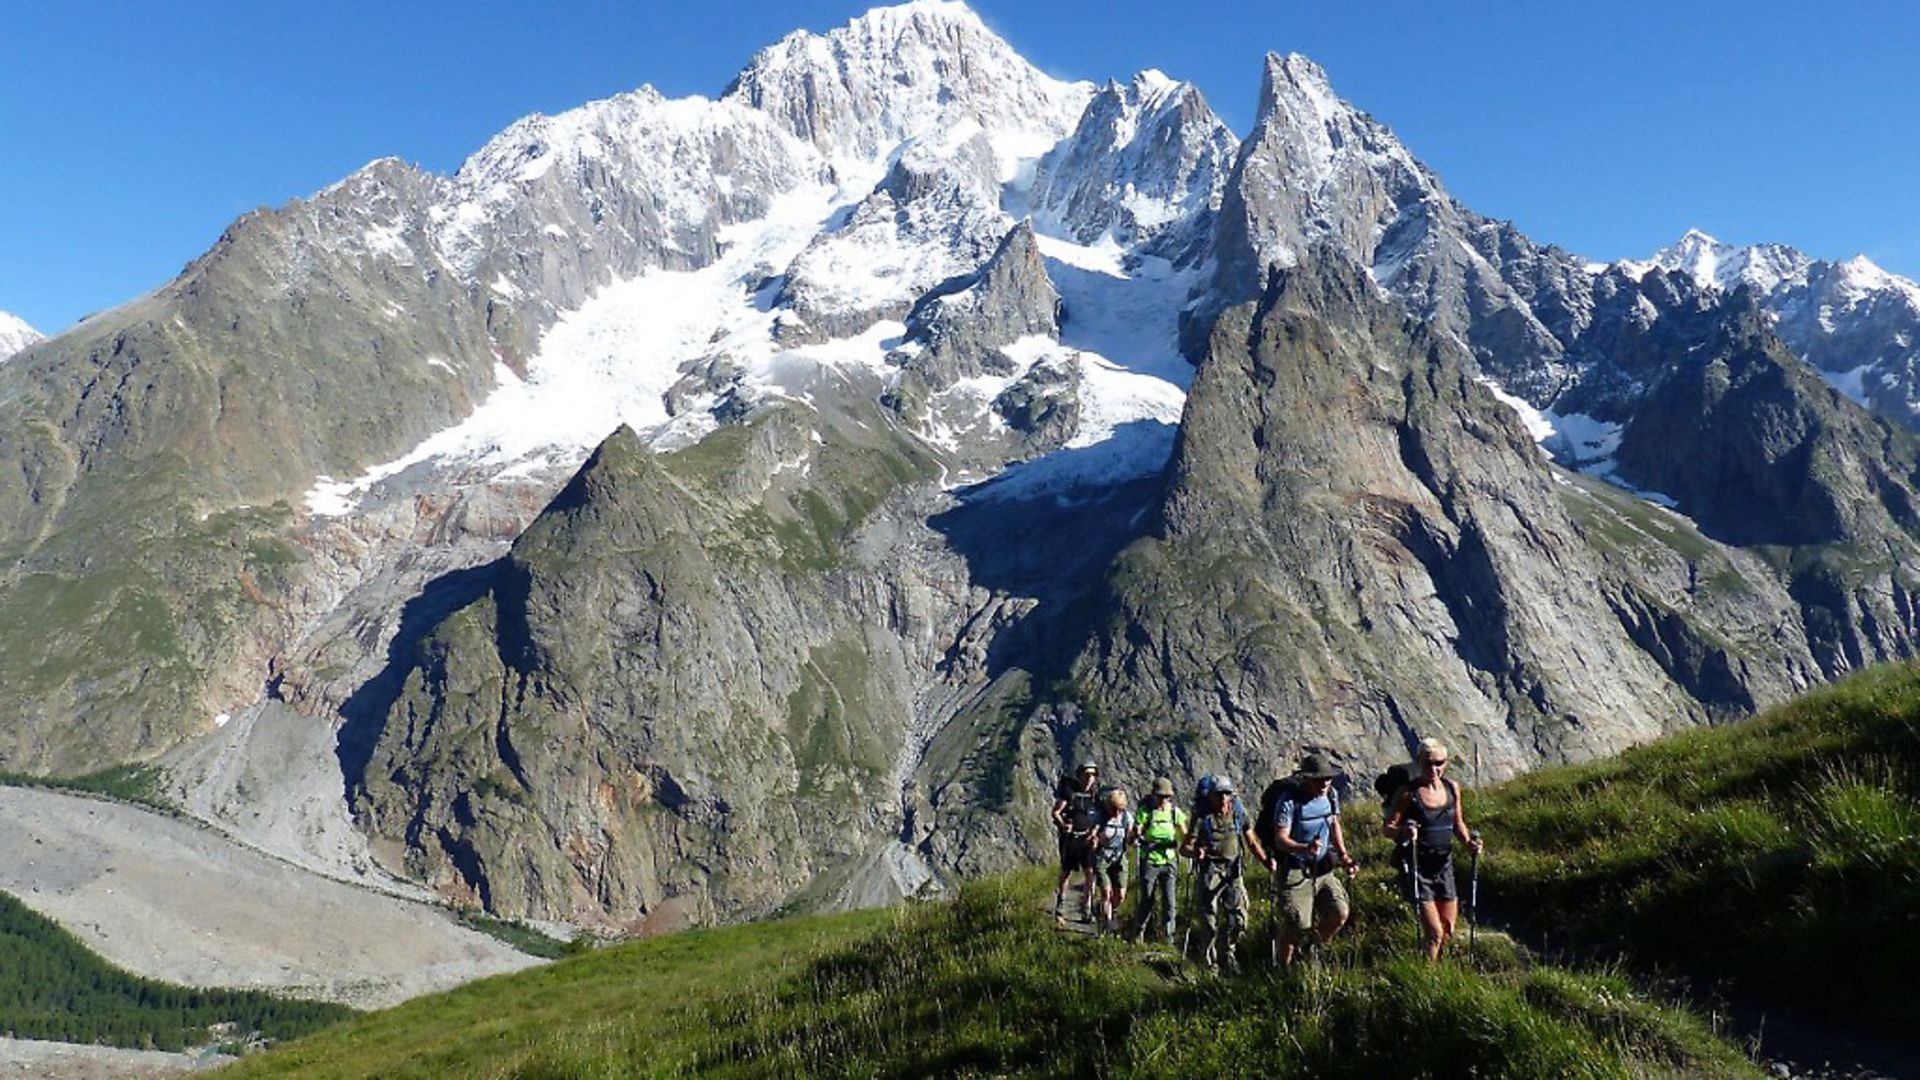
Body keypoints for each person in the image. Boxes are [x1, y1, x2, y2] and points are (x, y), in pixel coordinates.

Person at [1381, 739, 1483, 961]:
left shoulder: (1452, 788)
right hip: (1418, 867)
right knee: (1434, 933)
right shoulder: (1408, 794)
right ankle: (1428, 977)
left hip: (1444, 866)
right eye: (1428, 763)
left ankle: (1435, 969)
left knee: (1448, 929)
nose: (1434, 769)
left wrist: (1468, 844)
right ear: (1419, 763)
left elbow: (1457, 823)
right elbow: (1387, 828)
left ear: (1445, 763)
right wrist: (1404, 833)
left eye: (1439, 763)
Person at [1268, 753, 1358, 966]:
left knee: (1340, 912)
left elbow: (1334, 824)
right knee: (1296, 923)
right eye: (1319, 779)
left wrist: (1344, 856)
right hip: (1295, 869)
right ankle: (1284, 968)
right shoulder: (1289, 802)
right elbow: (1280, 839)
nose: (1325, 782)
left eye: (1328, 778)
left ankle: (1310, 950)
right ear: (1306, 778)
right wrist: (1303, 848)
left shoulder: (1331, 795)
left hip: (1323, 866)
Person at [1181, 775, 1270, 974]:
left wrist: (1267, 862)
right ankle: (1209, 963)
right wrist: (1196, 852)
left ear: (1231, 796)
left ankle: (1227, 954)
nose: (1223, 798)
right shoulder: (1203, 817)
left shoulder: (1238, 814)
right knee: (1209, 922)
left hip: (1234, 872)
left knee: (1238, 919)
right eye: (1219, 794)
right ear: (1211, 796)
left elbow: (1252, 841)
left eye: (1226, 794)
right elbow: (1184, 848)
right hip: (1210, 872)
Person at [1131, 776, 1188, 944]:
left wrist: (1193, 846)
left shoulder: (1174, 812)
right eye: (1161, 796)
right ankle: (1139, 932)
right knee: (1147, 899)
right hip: (1150, 860)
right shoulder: (1145, 811)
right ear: (1154, 795)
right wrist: (1136, 834)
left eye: (1166, 797)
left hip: (1169, 860)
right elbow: (1138, 830)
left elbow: (1185, 833)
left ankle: (1168, 938)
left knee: (1170, 901)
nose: (1164, 800)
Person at [1051, 762, 1103, 923]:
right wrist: (1063, 826)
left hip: (1088, 840)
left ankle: (1087, 908)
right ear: (1079, 775)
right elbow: (1056, 812)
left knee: (1090, 874)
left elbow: (1101, 818)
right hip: (1071, 840)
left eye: (1092, 775)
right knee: (1066, 872)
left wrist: (1094, 833)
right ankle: (1061, 905)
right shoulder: (1070, 794)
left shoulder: (1096, 796)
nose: (1089, 778)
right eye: (1086, 774)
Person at [1091, 788, 1132, 932]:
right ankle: (1107, 923)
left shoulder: (1127, 818)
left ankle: (1109, 911)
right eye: (1114, 809)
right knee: (1106, 892)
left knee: (1120, 894)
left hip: (1120, 857)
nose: (1117, 812)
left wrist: (1135, 837)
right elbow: (1093, 833)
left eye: (1120, 809)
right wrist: (1095, 839)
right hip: (1102, 857)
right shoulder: (1100, 817)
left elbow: (1130, 835)